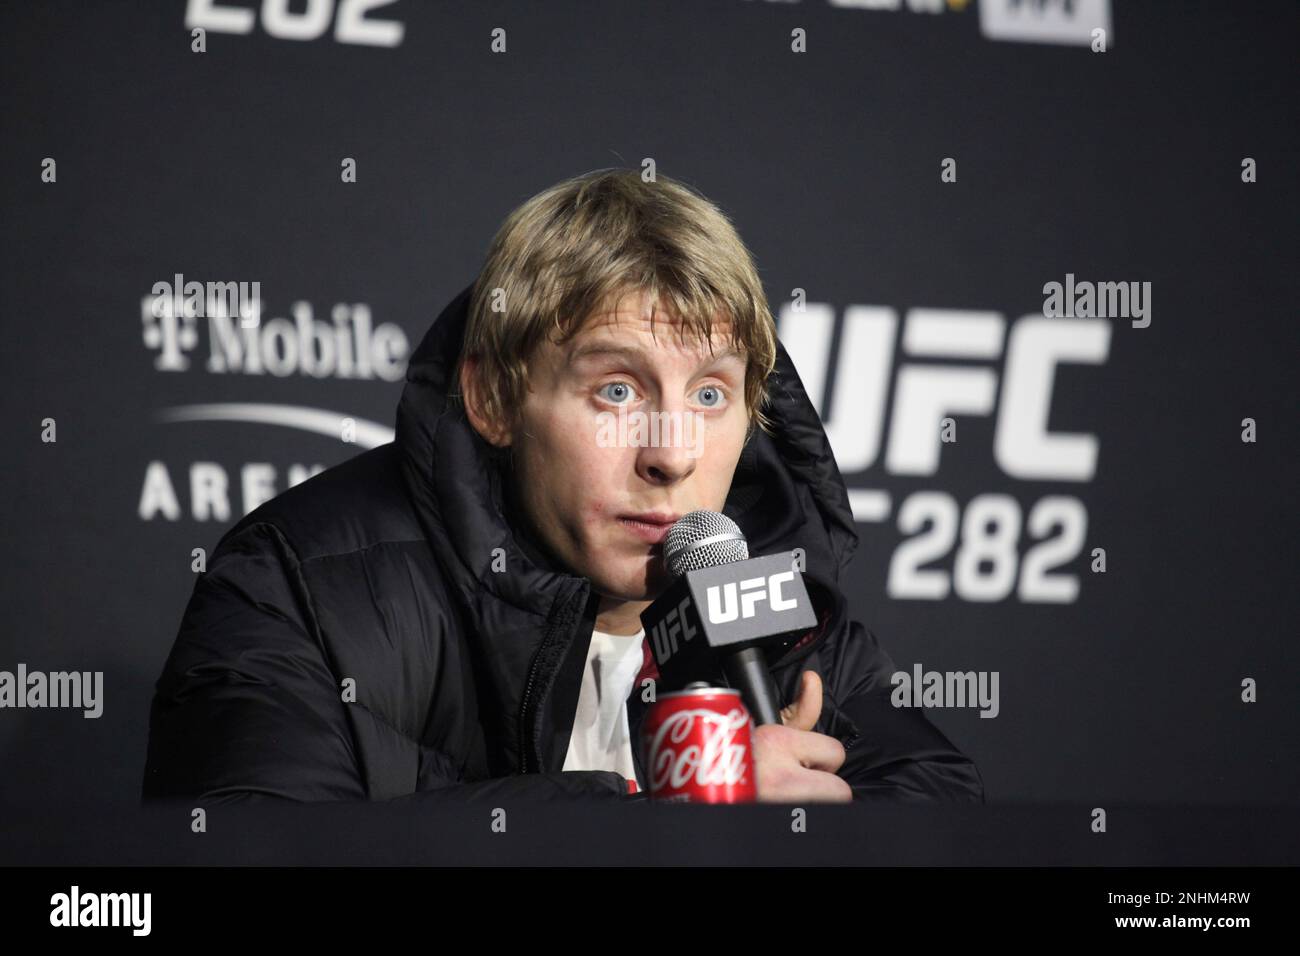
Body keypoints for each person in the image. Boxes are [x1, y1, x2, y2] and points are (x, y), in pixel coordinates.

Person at [142, 169, 984, 805]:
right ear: (494, 399)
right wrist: (666, 825)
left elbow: (953, 825)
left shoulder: (776, 607)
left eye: (709, 395)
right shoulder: (293, 589)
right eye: (616, 390)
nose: (671, 455)